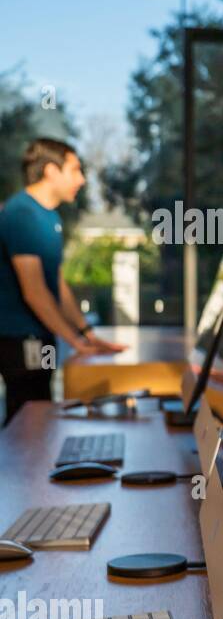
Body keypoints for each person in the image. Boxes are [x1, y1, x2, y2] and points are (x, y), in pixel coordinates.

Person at [0, 138, 124, 425]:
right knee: (28, 419)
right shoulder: (22, 213)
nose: (81, 180)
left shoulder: (49, 217)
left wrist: (86, 333)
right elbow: (34, 291)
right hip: (21, 341)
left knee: (42, 413)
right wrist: (75, 342)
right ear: (51, 171)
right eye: (75, 170)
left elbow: (55, 283)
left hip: (39, 339)